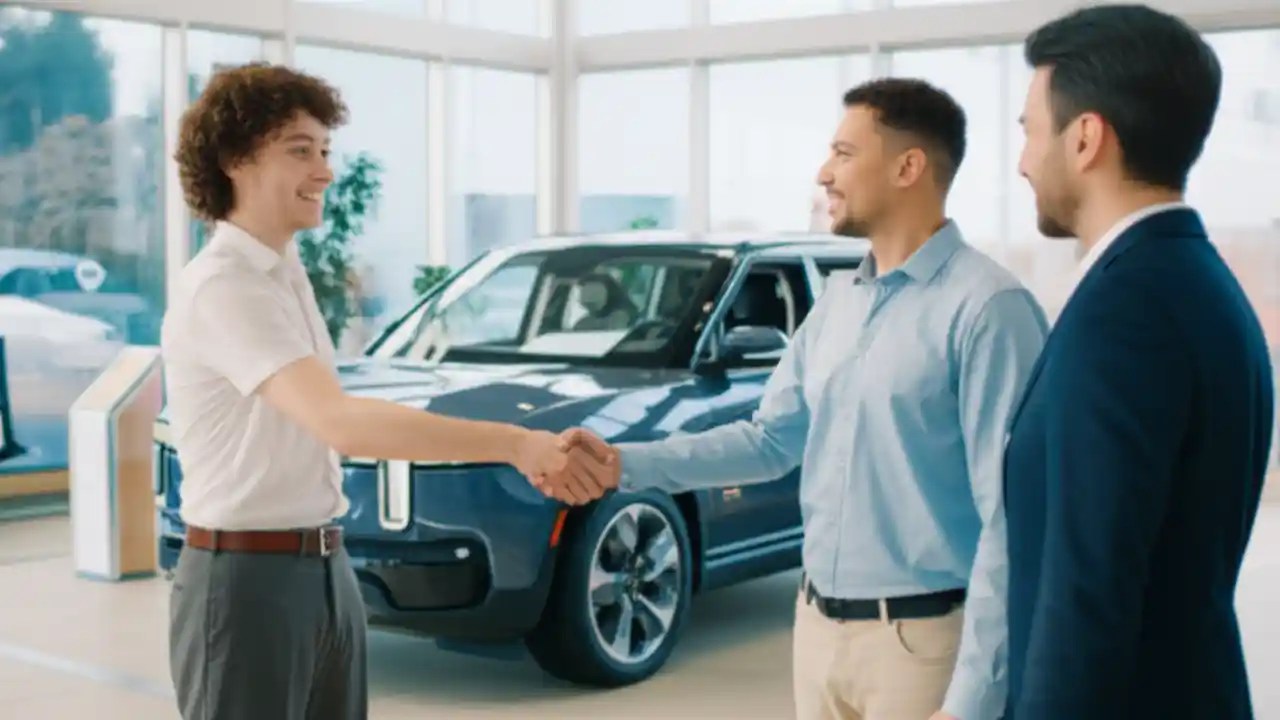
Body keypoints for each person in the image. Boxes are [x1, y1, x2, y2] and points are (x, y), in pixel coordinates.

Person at [551, 78, 1049, 720]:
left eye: (844, 153)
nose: (824, 173)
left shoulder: (989, 310)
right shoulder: (840, 301)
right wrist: (624, 464)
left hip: (923, 648)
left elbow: (1010, 519)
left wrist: (972, 700)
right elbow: (769, 441)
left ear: (908, 167)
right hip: (817, 634)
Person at [162, 63, 607, 720]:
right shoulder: (227, 285)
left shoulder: (283, 273)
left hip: (322, 565)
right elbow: (339, 422)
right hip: (247, 580)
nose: (324, 171)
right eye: (300, 151)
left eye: (325, 151)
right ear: (235, 160)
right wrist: (515, 443)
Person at [1004, 5, 1275, 719]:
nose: (1023, 161)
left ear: (1085, 138)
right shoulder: (1197, 281)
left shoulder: (1124, 312)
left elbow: (1084, 602)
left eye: (1030, 131)